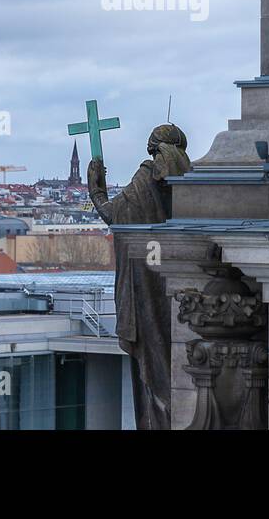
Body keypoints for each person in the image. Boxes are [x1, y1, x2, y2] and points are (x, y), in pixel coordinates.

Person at [87, 123, 191, 430]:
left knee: (152, 362)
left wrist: (96, 189)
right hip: (179, 287)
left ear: (152, 148)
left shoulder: (147, 177)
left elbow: (112, 215)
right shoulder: (190, 180)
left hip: (145, 285)